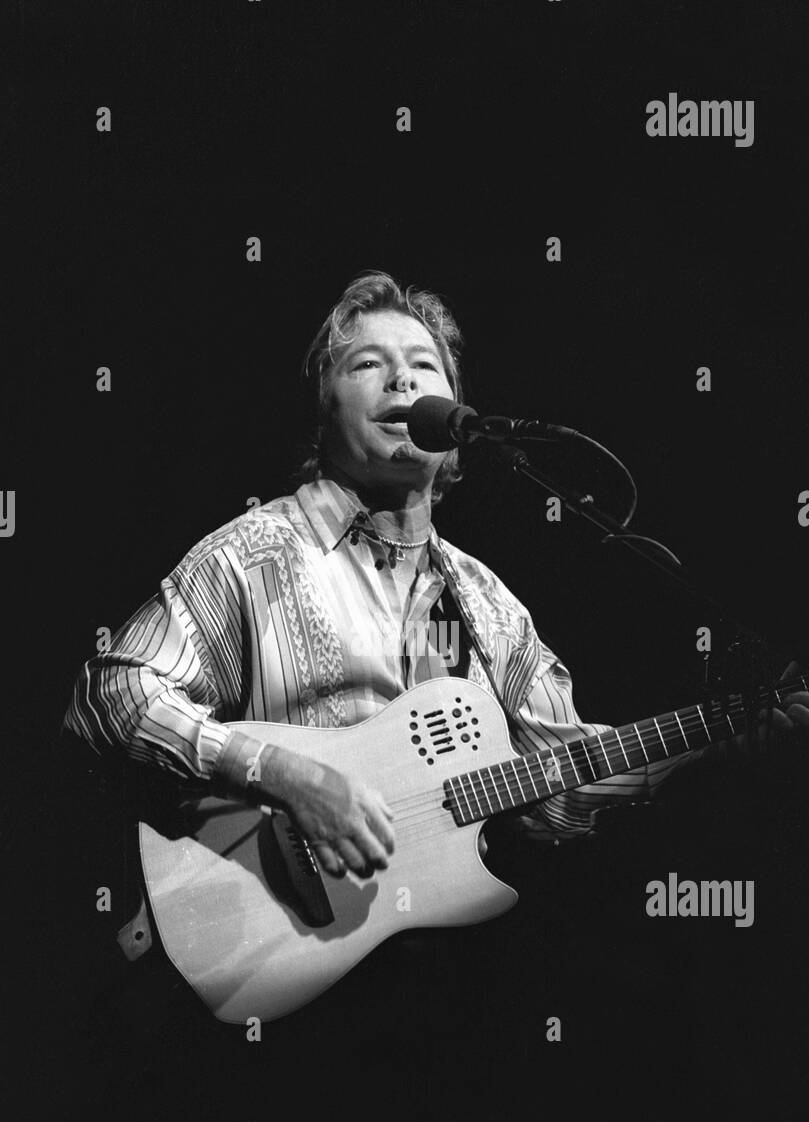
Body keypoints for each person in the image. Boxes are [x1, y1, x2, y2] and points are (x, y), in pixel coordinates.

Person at [63, 271, 809, 887]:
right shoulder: (255, 552)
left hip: (442, 981)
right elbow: (112, 694)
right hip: (271, 939)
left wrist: (716, 744)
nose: (401, 378)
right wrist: (283, 774)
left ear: (450, 424)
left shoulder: (488, 605)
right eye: (366, 363)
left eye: (424, 366)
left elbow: (563, 786)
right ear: (323, 416)